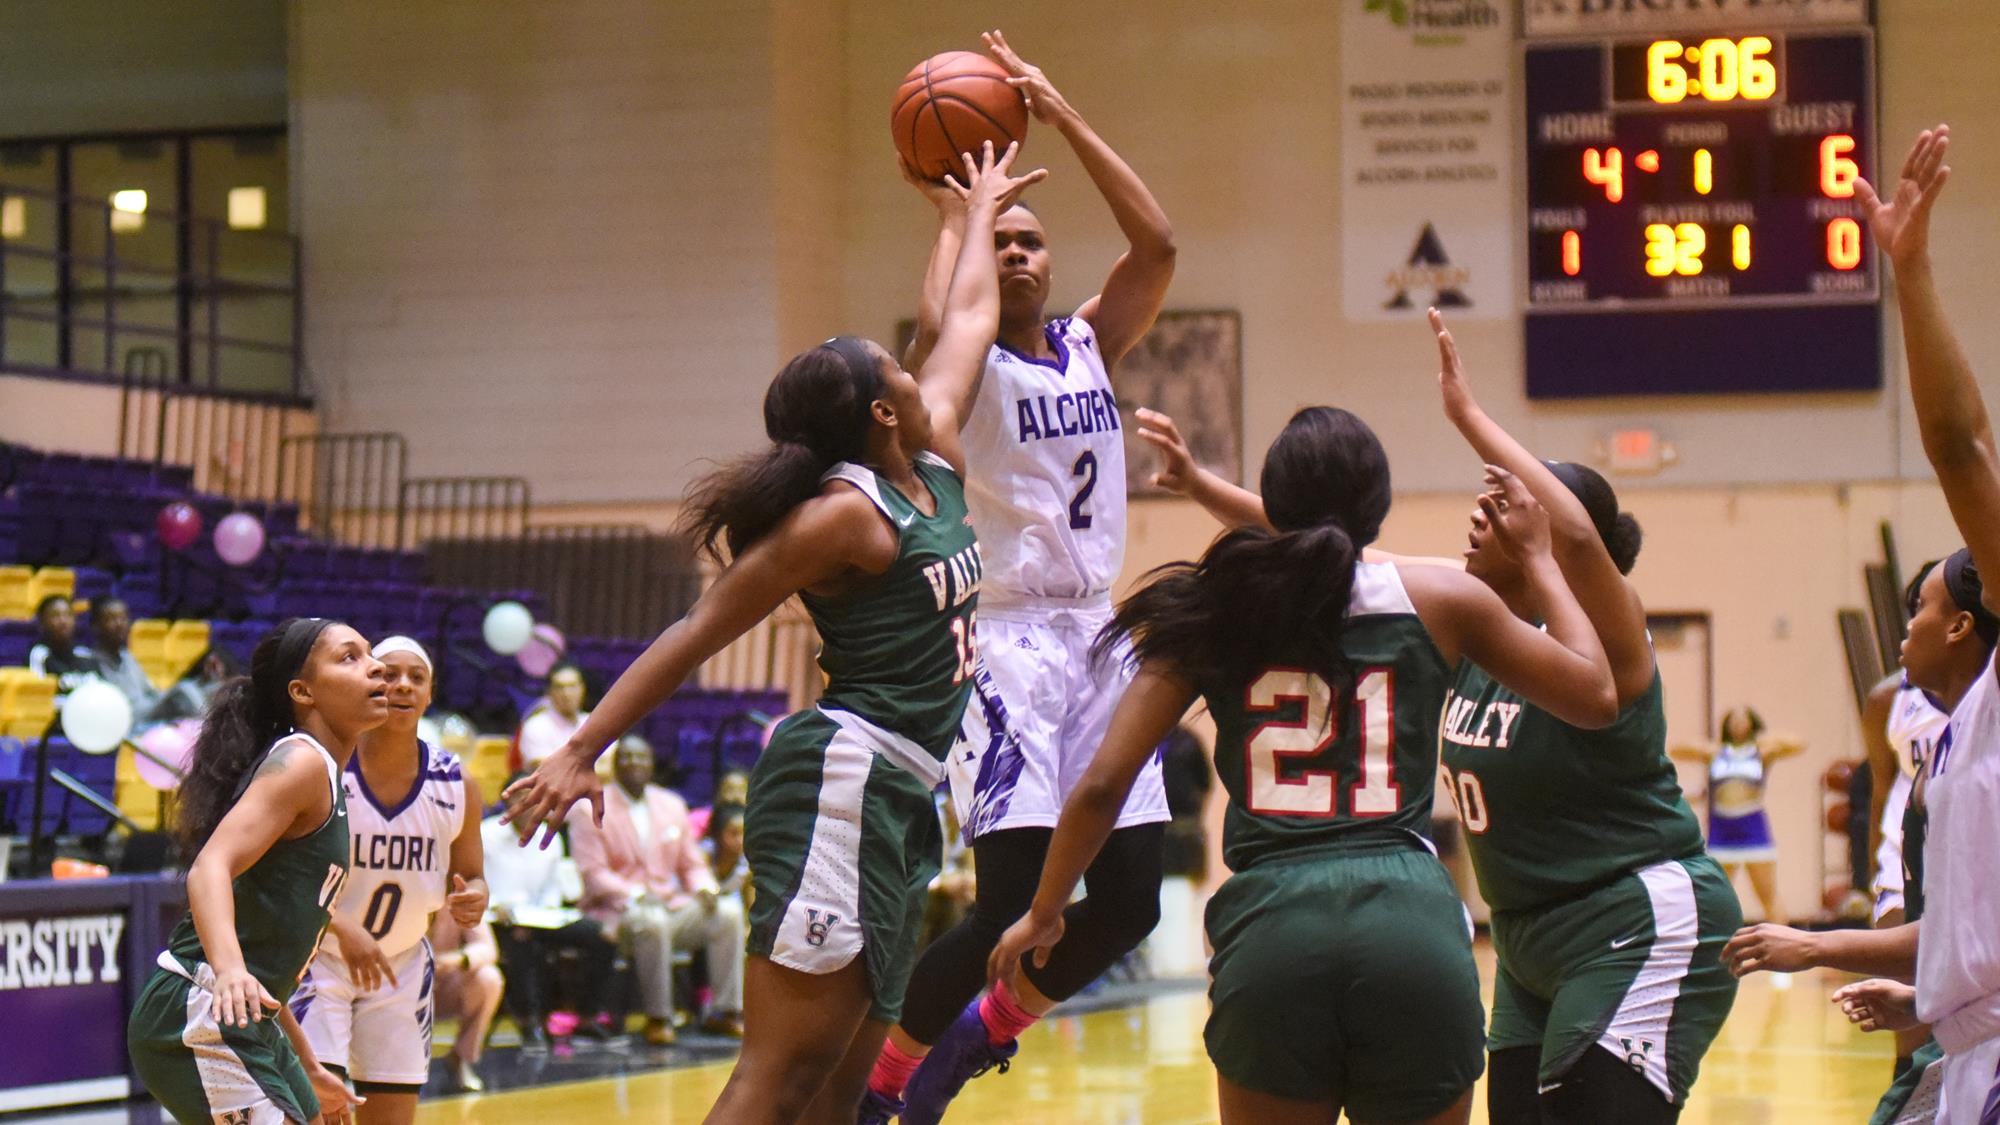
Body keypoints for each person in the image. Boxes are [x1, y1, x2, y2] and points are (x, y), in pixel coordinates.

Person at [504, 143, 1038, 1125]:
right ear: (883, 407)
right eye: (892, 364)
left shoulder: (937, 455)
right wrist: (583, 748)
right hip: (842, 779)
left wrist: (971, 214)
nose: (914, 362)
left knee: (839, 1085)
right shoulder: (843, 515)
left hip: (899, 795)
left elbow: (966, 318)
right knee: (779, 1077)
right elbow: (704, 626)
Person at [990, 405, 1623, 1125]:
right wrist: (1541, 559)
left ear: (1276, 501)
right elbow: (1597, 693)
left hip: (1272, 929)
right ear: (1378, 508)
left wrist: (1044, 912)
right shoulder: (1444, 599)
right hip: (1410, 924)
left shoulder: (1212, 606)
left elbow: (1103, 783)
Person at [873, 30, 1179, 1122]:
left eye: (1029, 239)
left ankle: (974, 1040)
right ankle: (885, 1079)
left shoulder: (1093, 341)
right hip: (1003, 642)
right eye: (998, 244)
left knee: (1135, 897)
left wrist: (1064, 115)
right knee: (1006, 896)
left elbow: (1155, 244)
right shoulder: (967, 359)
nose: (1017, 254)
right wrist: (958, 213)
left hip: (1098, 632)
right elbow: (932, 324)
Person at [1413, 312, 1742, 1124]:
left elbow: (1585, 546)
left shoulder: (1614, 639)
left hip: (1635, 913)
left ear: (1544, 532)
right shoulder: (1486, 635)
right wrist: (1224, 495)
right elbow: (1347, 558)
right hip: (1530, 940)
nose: (1478, 516)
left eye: (1503, 504)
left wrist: (1470, 419)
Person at [1774, 123, 2000, 1125]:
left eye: (1925, 604)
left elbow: (1956, 445)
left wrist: (1907, 273)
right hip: (1963, 1046)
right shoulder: (1948, 726)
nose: (1910, 621)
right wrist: (1932, 998)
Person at [125, 618, 382, 1125]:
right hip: (196, 1004)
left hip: (248, 1015)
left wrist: (307, 1064)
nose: (375, 667)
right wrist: (230, 970)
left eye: (371, 652)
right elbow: (209, 868)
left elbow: (263, 968)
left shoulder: (324, 774)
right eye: (349, 657)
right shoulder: (302, 763)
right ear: (302, 691)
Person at [294, 638, 487, 1125]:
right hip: (320, 961)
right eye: (388, 674)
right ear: (371, 685)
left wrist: (474, 899)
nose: (401, 685)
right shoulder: (326, 765)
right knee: (321, 1112)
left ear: (429, 692)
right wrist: (340, 926)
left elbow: (473, 877)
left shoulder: (457, 784)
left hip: (400, 967)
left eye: (415, 677)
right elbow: (289, 877)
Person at [567, 734, 745, 1044]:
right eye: (627, 757)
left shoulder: (672, 805)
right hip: (619, 914)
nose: (634, 763)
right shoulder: (589, 808)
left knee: (728, 912)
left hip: (670, 906)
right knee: (652, 920)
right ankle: (659, 1017)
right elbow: (593, 874)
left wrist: (704, 886)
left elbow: (691, 864)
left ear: (652, 764)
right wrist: (635, 895)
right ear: (615, 765)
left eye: (641, 757)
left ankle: (724, 1012)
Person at [481, 773, 613, 1049]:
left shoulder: (550, 837)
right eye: (522, 797)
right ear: (507, 801)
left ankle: (587, 1017)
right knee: (521, 941)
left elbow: (552, 889)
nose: (529, 803)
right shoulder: (486, 834)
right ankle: (530, 1022)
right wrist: (496, 907)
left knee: (602, 936)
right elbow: (474, 881)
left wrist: (548, 912)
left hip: (539, 916)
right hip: (497, 918)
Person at [1670, 707, 1805, 923]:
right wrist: (1709, 748)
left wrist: (1764, 738)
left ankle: (1783, 948)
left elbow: (1798, 743)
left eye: (1743, 719)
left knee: (1768, 895)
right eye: (1733, 719)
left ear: (1752, 723)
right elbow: (1677, 750)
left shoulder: (1761, 752)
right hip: (1722, 828)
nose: (1738, 724)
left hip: (1753, 825)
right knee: (1716, 895)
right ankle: (1719, 947)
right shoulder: (1717, 753)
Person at [429, 913, 503, 1093]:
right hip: (398, 983)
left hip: (442, 983)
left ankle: (461, 1057)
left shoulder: (462, 894)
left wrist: (459, 959)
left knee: (489, 978)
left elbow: (488, 948)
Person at [90, 596, 159, 717]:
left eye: (123, 618)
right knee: (185, 691)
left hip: (148, 715)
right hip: (124, 718)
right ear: (96, 625)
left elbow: (151, 692)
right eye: (112, 619)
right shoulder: (90, 662)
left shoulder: (128, 657)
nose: (119, 624)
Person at [517, 664, 590, 767]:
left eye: (572, 686)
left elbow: (610, 764)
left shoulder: (591, 722)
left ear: (582, 688)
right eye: (559, 687)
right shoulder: (535, 726)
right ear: (549, 691)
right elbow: (548, 769)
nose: (566, 694)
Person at [149, 647, 241, 725]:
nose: (214, 668)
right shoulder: (186, 690)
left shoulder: (235, 693)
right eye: (211, 665)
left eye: (215, 665)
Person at [27, 594, 96, 695]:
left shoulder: (85, 653)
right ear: (42, 622)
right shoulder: (39, 655)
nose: (63, 621)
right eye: (55, 616)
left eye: (68, 615)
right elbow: (39, 697)